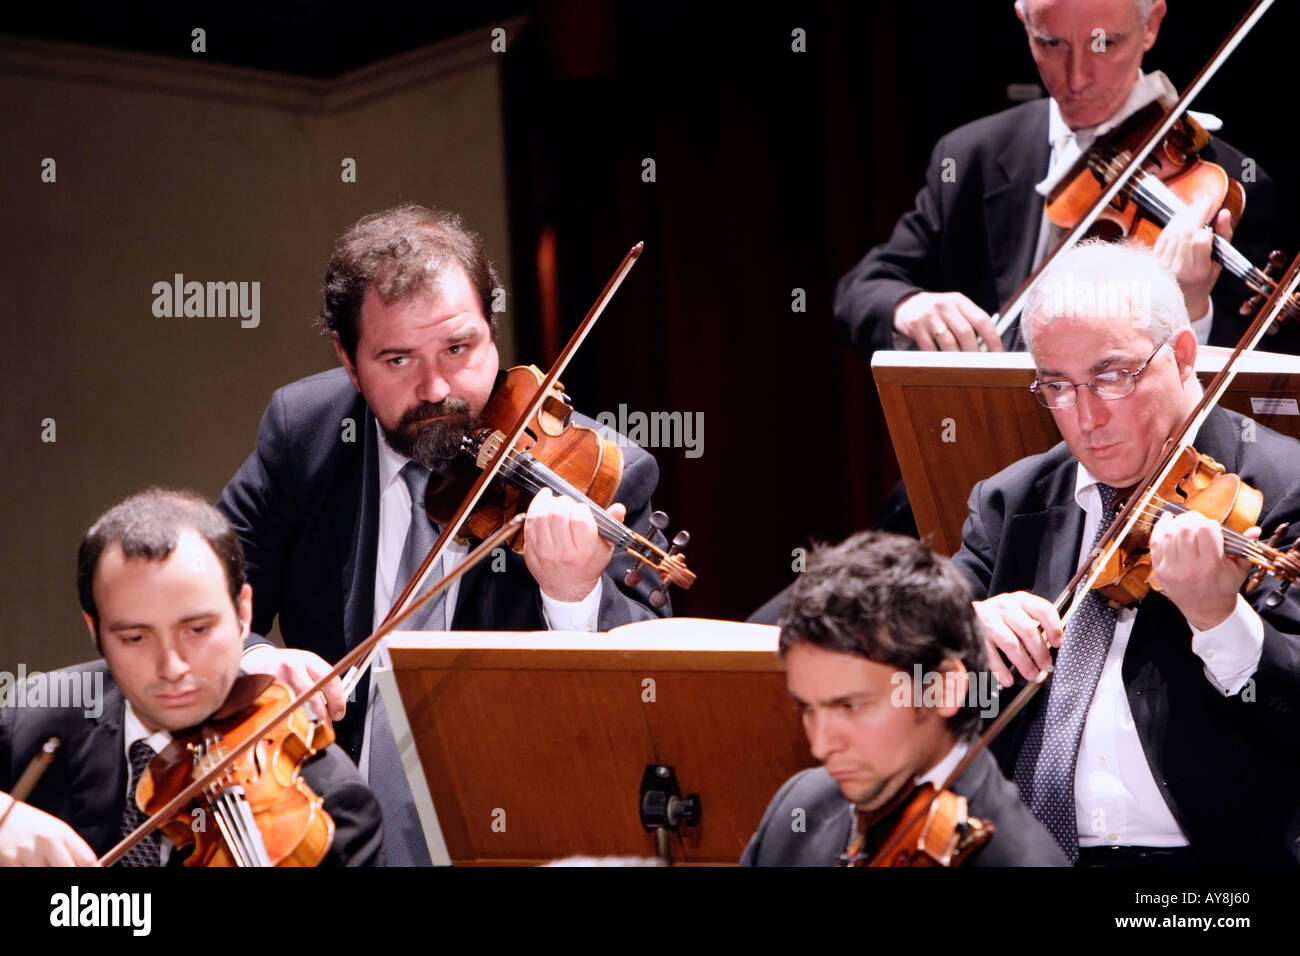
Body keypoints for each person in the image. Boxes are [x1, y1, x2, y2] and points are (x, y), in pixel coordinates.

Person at [218, 203, 669, 865]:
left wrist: (573, 599)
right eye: (397, 359)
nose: (436, 388)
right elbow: (210, 591)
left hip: (515, 834)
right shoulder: (306, 432)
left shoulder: (598, 472)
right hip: (328, 831)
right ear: (349, 361)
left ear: (492, 331)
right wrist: (257, 661)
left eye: (459, 349)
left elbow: (648, 705)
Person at [953, 239, 1300, 866]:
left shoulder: (1281, 488)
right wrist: (961, 631)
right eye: (1057, 386)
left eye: (1113, 377)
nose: (1085, 417)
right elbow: (908, 681)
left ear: (1184, 355)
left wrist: (1222, 620)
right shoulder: (1010, 503)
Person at [833, 0, 1291, 358]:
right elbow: (862, 291)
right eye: (1051, 43)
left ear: (1151, 24)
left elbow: (1253, 394)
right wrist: (907, 307)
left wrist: (1192, 310)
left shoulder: (1228, 186)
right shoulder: (972, 154)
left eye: (1104, 44)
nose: (1076, 78)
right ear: (1024, 22)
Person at [0, 488, 384, 867]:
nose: (172, 667)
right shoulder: (34, 718)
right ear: (94, 629)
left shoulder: (328, 806)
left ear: (243, 611)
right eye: (135, 637)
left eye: (197, 630)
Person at [740, 530, 1067, 867]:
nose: (821, 747)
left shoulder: (1020, 859)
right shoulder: (798, 809)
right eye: (807, 707)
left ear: (942, 689)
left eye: (851, 706)